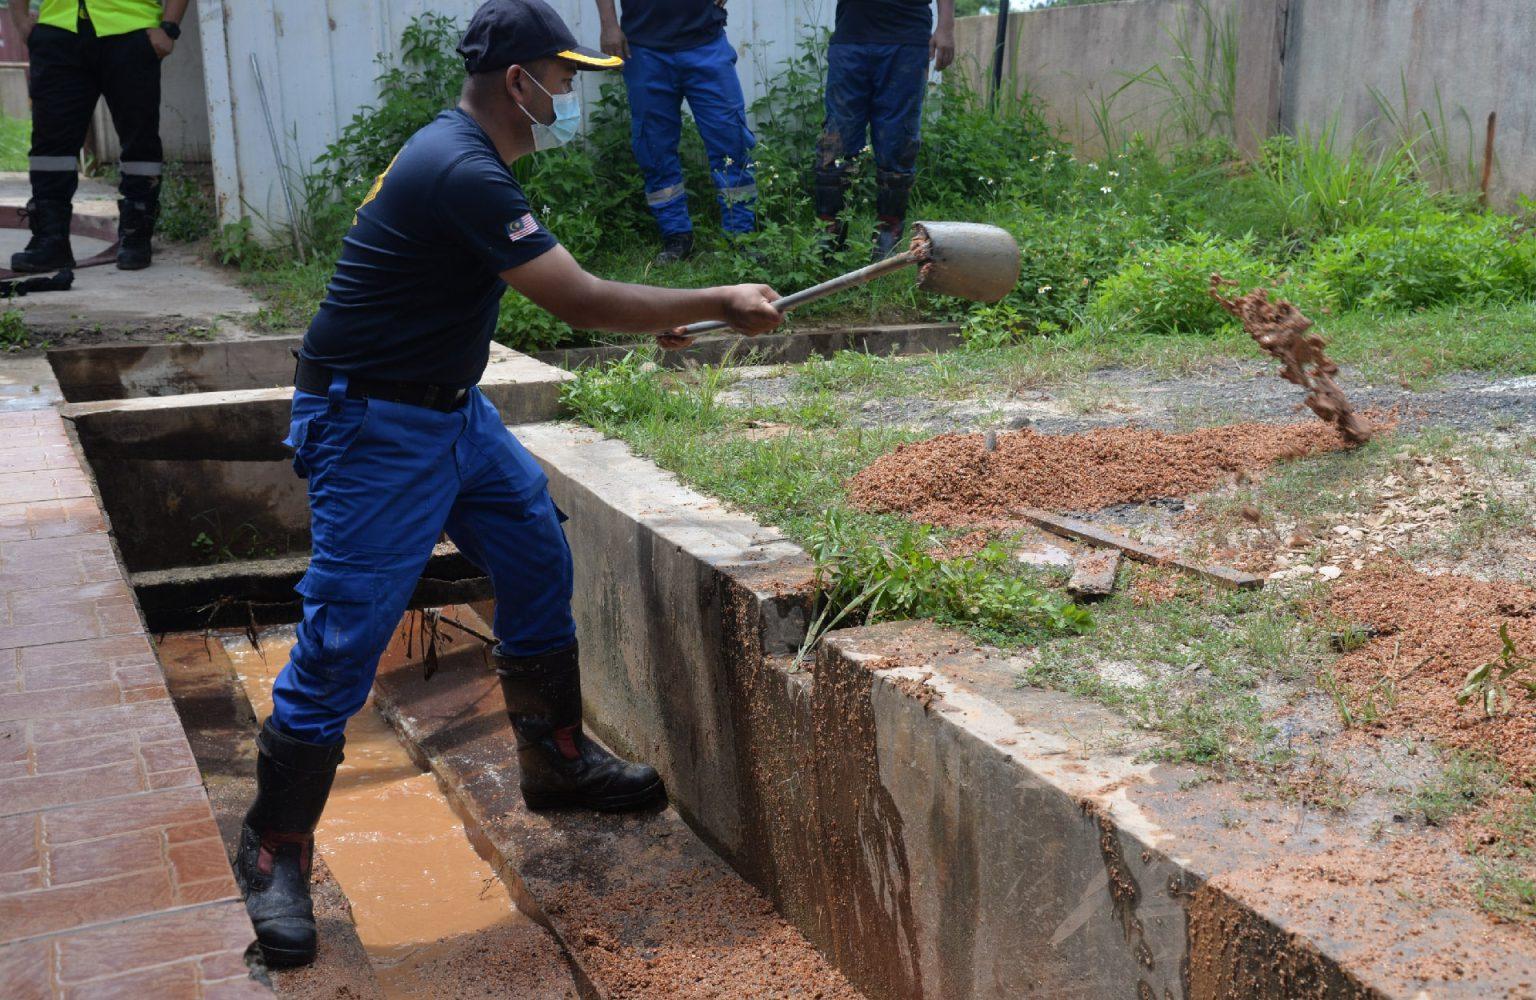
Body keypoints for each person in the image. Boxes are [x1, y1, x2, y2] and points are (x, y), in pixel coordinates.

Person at [236, 0, 782, 969]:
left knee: (534, 550)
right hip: (373, 423)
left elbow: (556, 287)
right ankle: (275, 846)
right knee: (346, 633)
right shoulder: (460, 167)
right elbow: (576, 294)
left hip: (447, 411)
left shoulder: (471, 163)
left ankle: (554, 758)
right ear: (517, 82)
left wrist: (645, 314)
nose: (569, 92)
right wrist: (716, 299)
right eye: (562, 77)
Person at [3, 0, 187, 271]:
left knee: (139, 139)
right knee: (50, 147)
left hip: (130, 29)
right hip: (59, 31)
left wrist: (169, 28)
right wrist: (19, 20)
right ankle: (50, 240)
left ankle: (136, 236)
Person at [595, 0, 755, 264]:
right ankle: (676, 236)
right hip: (644, 48)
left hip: (706, 42)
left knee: (731, 142)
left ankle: (741, 238)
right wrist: (609, 25)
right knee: (653, 147)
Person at [814, 0, 955, 260]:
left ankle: (887, 237)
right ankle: (830, 235)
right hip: (851, 37)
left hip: (906, 39)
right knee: (837, 141)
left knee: (898, 141)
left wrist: (946, 27)